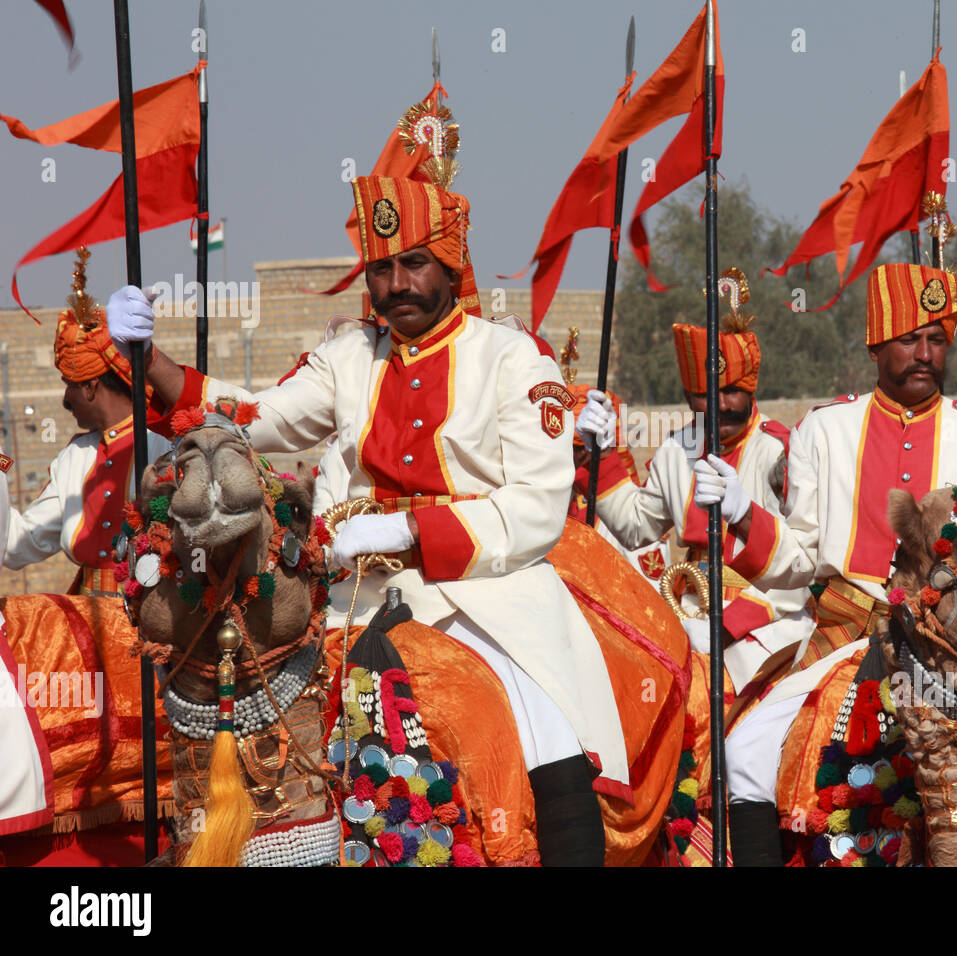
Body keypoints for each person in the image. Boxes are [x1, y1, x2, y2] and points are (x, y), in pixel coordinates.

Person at [107, 173, 626, 865]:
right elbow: (255, 417)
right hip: (354, 589)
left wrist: (410, 533)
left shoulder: (512, 357)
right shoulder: (349, 356)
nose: (397, 285)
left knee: (544, 724)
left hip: (490, 589)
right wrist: (151, 358)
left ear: (450, 265)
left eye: (414, 264)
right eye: (381, 269)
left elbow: (536, 506)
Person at [691, 262, 957, 863]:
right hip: (844, 631)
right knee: (742, 756)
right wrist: (745, 511)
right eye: (909, 339)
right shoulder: (823, 429)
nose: (924, 353)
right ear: (876, 345)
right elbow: (797, 558)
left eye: (937, 339)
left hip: (956, 646)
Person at [574, 278, 814, 692]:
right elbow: (636, 528)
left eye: (733, 391)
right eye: (707, 393)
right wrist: (600, 455)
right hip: (687, 616)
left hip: (770, 621)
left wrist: (728, 626)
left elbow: (800, 572)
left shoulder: (782, 450)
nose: (721, 405)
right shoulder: (676, 449)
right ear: (687, 394)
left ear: (752, 388)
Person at [6, 249, 171, 592]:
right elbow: (15, 546)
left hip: (154, 621)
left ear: (92, 387)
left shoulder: (165, 449)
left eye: (69, 385)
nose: (66, 400)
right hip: (85, 618)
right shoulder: (74, 458)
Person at [566, 382, 670, 587]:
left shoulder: (627, 513)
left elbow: (651, 597)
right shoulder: (555, 499)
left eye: (578, 447)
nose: (571, 455)